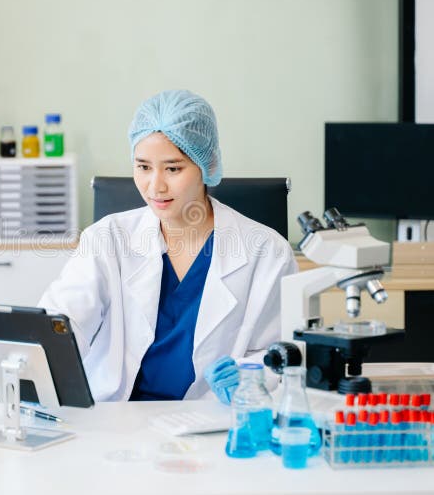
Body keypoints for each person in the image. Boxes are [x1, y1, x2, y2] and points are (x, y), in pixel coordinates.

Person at [38, 89, 297, 403]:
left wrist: (249, 376)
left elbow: (282, 355)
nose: (155, 186)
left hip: (211, 421)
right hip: (118, 422)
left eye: (173, 168)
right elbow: (61, 322)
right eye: (144, 167)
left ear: (207, 164)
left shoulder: (266, 251)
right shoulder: (107, 238)